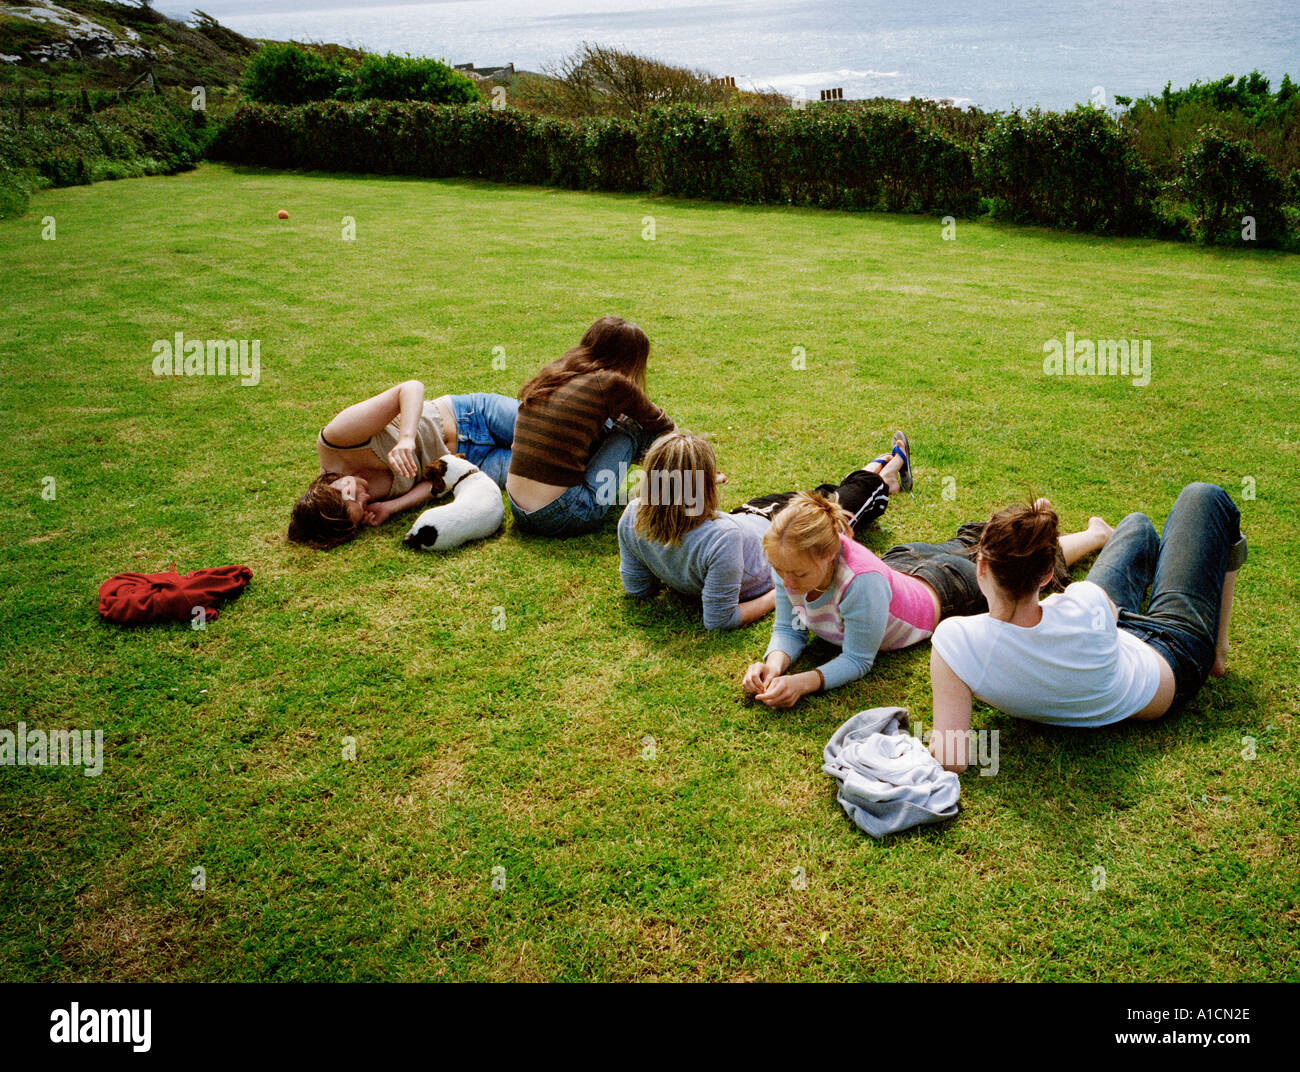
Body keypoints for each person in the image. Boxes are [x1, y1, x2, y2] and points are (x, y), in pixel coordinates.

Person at [927, 484, 1247, 772]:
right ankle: (1219, 650)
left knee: (1135, 526)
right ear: (1048, 575)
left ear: (981, 566)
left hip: (1106, 637)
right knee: (1202, 496)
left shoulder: (954, 643)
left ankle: (1113, 536)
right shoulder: (1085, 602)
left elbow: (952, 759)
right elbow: (1102, 612)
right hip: (1171, 653)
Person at [741, 488, 1112, 709]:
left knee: (1015, 566)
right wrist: (773, 666)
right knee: (975, 544)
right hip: (903, 564)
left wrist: (803, 682)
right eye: (781, 571)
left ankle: (1089, 535)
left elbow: (857, 659)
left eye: (798, 576)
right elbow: (790, 628)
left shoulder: (859, 583)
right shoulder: (789, 557)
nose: (786, 584)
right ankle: (1032, 523)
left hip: (945, 591)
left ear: (829, 554)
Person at [618, 430, 912, 631]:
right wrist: (781, 590)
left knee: (820, 495)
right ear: (704, 486)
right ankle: (889, 471)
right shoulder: (720, 538)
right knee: (838, 506)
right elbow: (720, 619)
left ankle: (872, 472)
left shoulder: (632, 516)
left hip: (750, 517)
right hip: (783, 535)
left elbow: (639, 588)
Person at [288, 381, 517, 549]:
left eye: (356, 498)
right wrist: (391, 507)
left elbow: (410, 388)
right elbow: (436, 483)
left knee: (551, 430)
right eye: (363, 506)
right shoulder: (366, 498)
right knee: (546, 471)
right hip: (474, 463)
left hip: (472, 415)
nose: (367, 500)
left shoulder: (337, 441)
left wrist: (406, 439)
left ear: (335, 487)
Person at [506, 315, 676, 538]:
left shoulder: (556, 375)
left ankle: (678, 478)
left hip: (520, 512)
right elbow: (662, 424)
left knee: (609, 427)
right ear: (632, 358)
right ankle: (686, 479)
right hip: (567, 514)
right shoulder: (613, 383)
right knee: (634, 428)